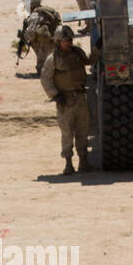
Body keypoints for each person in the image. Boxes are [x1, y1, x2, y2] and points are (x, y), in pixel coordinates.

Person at [40, 25, 91, 175]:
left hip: (80, 97)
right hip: (65, 100)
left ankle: (84, 161)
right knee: (67, 132)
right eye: (66, 40)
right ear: (58, 41)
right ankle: (68, 163)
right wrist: (55, 95)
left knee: (83, 130)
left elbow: (88, 61)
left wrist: (97, 50)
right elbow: (45, 78)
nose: (69, 42)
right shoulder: (53, 59)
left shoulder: (77, 53)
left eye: (70, 39)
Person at [20, 0, 61, 76]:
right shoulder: (49, 10)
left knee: (42, 69)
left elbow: (30, 34)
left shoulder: (35, 15)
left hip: (44, 43)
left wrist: (25, 39)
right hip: (56, 40)